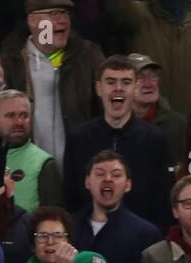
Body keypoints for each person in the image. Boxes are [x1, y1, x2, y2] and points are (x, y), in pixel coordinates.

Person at [0, 0, 106, 166]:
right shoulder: (11, 61)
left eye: (65, 14)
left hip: (81, 168)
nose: (62, 20)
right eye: (54, 14)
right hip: (29, 171)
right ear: (33, 21)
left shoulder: (88, 55)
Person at [62, 57, 172, 229]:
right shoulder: (78, 138)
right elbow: (70, 197)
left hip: (142, 241)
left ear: (135, 88)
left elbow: (162, 201)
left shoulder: (156, 140)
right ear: (99, 88)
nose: (118, 88)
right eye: (111, 82)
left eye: (126, 82)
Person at [68, 151, 163, 263]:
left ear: (128, 185)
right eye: (100, 174)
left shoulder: (147, 234)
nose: (108, 179)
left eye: (116, 175)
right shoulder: (69, 226)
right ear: (87, 182)